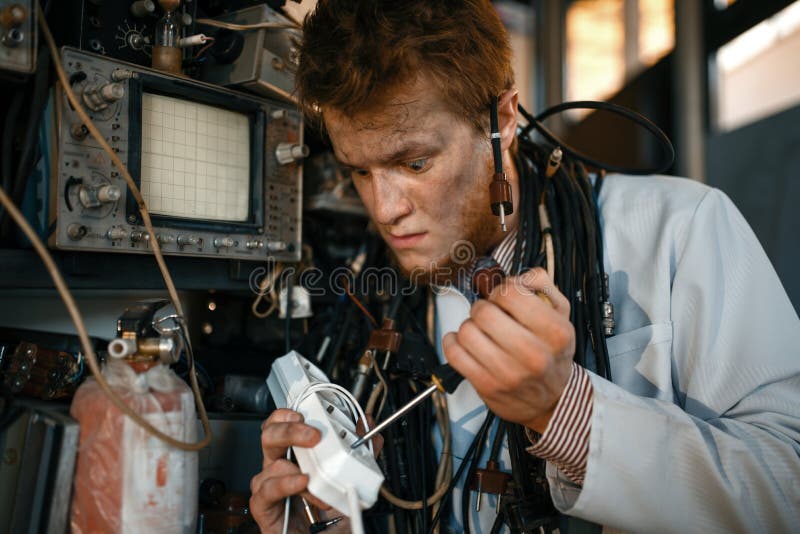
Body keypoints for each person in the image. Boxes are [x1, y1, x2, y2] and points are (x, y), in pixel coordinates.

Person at [249, 1, 800, 532]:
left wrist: (566, 412)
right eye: (360, 172)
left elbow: (789, 489)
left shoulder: (679, 227)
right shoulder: (378, 290)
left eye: (414, 163)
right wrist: (338, 520)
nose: (385, 210)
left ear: (503, 120)